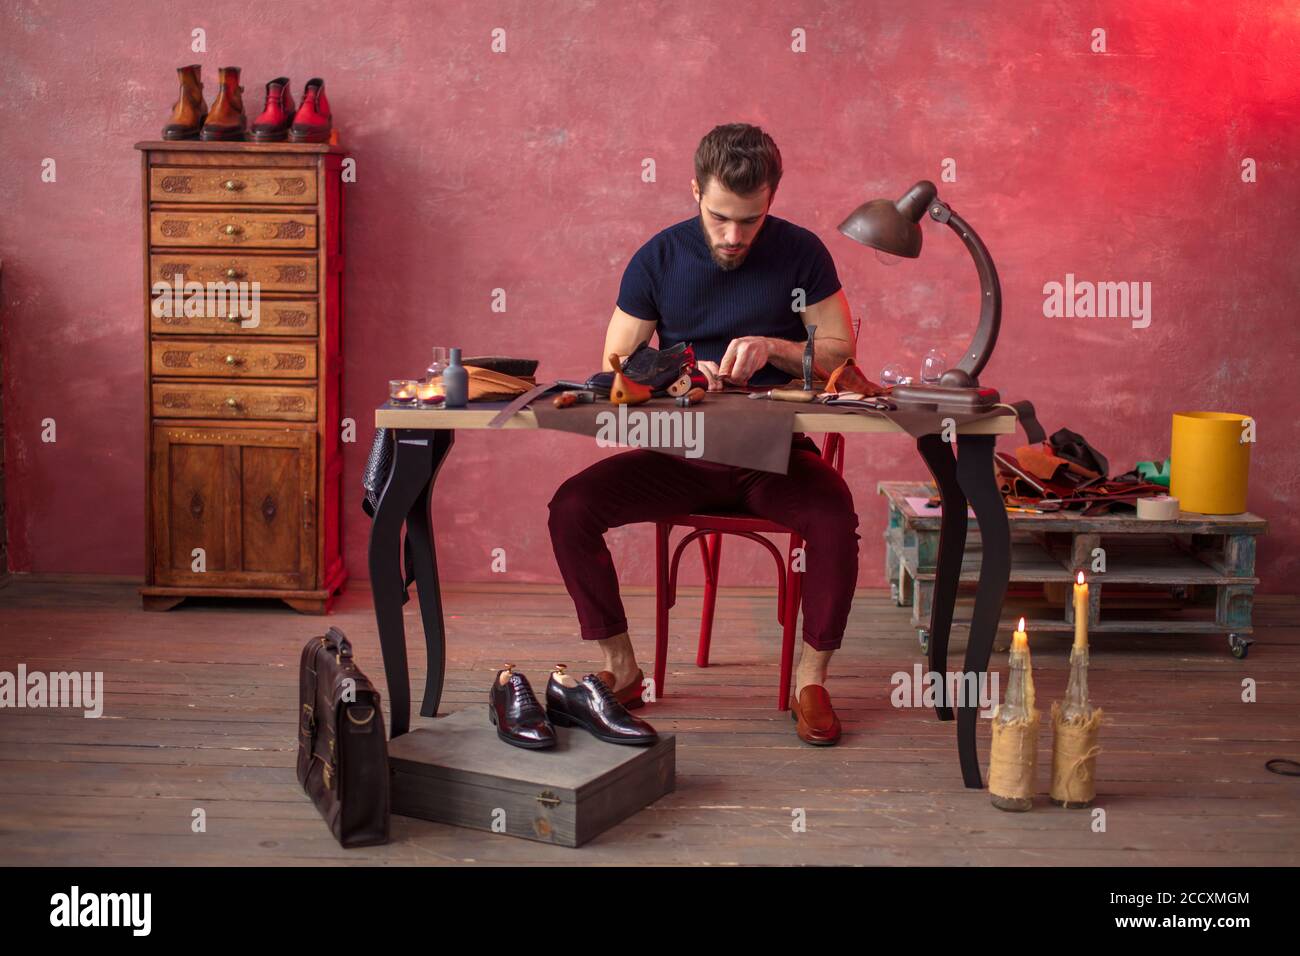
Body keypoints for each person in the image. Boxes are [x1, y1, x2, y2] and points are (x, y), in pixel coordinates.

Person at [547, 123, 860, 745]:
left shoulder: (802, 254)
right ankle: (623, 668)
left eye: (750, 220)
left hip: (773, 460)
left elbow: (843, 359)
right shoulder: (659, 257)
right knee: (570, 509)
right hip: (680, 458)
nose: (733, 236)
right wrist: (681, 369)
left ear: (771, 198)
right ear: (695, 191)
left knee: (834, 517)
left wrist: (775, 346)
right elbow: (616, 365)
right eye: (720, 218)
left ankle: (810, 681)